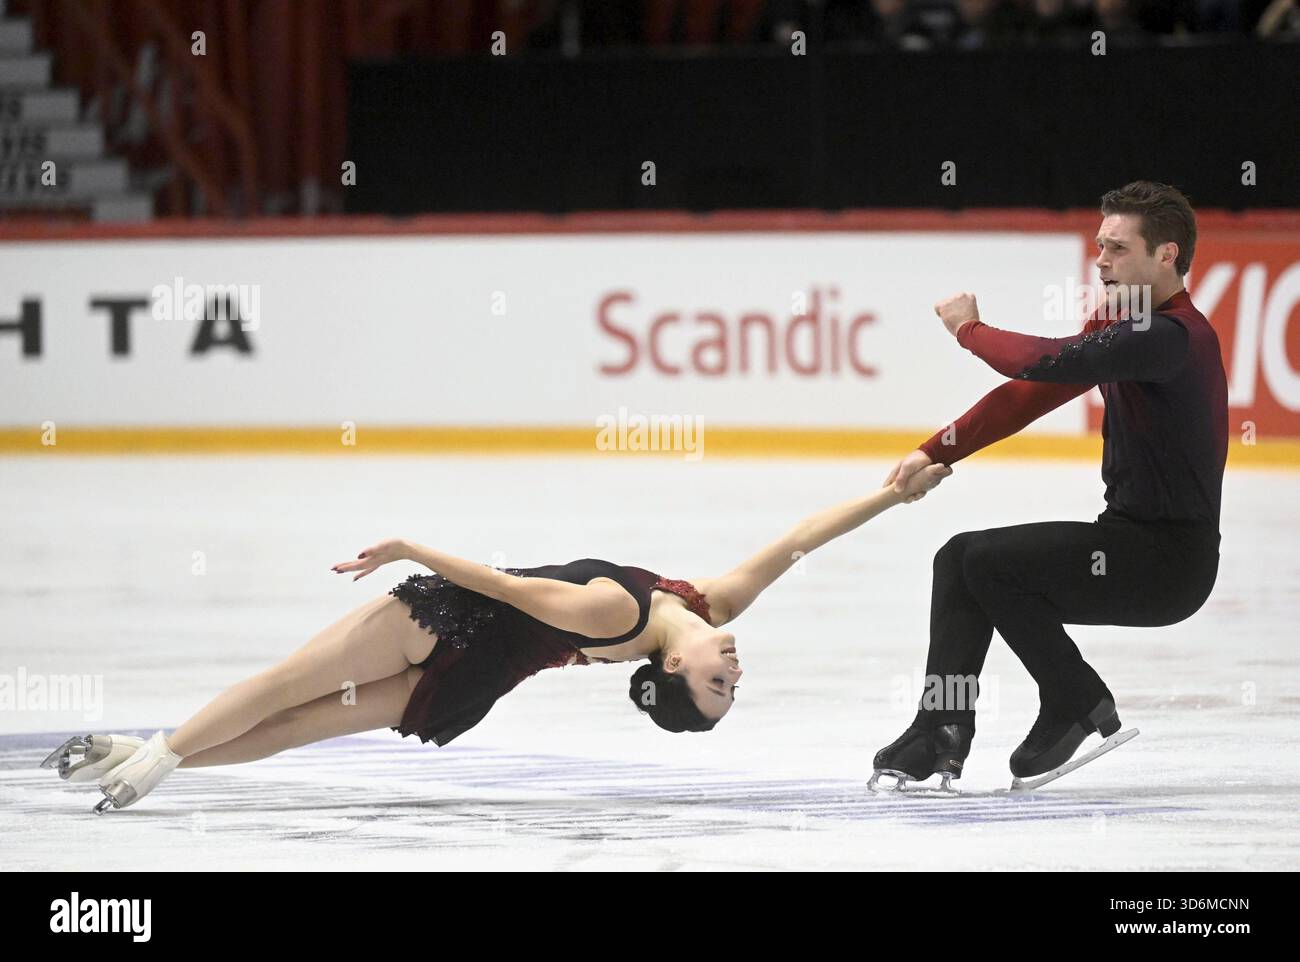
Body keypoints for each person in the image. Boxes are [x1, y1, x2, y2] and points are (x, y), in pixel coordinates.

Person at [46, 460, 953, 812]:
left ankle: (157, 753)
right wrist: (893, 494)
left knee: (288, 698)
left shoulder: (618, 615)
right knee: (290, 721)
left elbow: (507, 585)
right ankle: (146, 753)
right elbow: (799, 541)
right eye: (734, 685)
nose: (735, 673)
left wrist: (409, 545)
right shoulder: (711, 605)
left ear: (674, 666)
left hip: (446, 627)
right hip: (471, 677)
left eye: (718, 686)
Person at [873, 180, 1227, 791]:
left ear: (1166, 255)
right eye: (1099, 246)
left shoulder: (1171, 337)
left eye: (1117, 248)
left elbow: (1044, 360)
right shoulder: (1123, 324)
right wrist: (935, 450)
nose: (1101, 260)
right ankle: (939, 729)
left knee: (987, 564)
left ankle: (1076, 699)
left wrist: (969, 330)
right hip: (1125, 542)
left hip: (1168, 564)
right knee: (959, 560)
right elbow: (1029, 397)